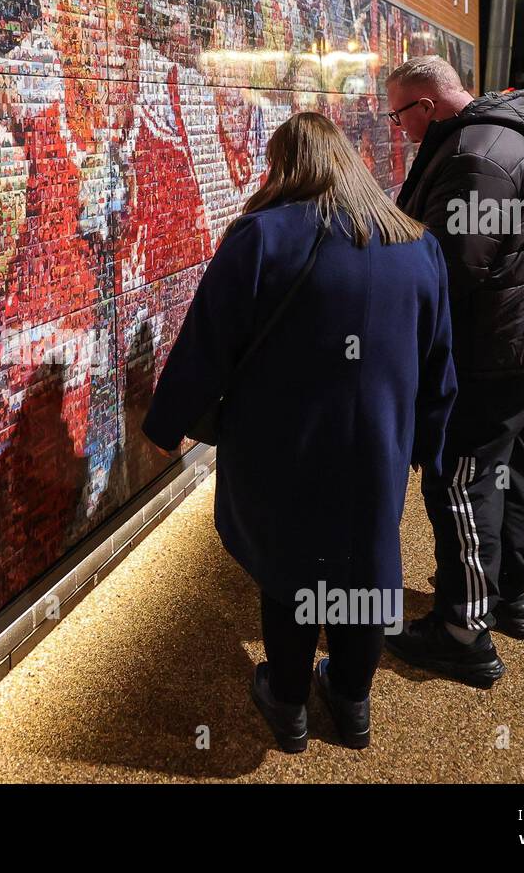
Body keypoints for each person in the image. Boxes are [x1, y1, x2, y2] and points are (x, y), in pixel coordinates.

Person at [143, 112, 457, 752]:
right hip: (379, 443)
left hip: (284, 442)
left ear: (285, 165)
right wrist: (428, 441)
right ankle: (351, 699)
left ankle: (287, 706)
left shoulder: (263, 237)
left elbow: (208, 343)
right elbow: (439, 360)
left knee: (293, 566)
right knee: (367, 560)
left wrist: (166, 425)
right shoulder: (417, 246)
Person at [382, 56, 524, 687]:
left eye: (400, 115)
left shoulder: (474, 154)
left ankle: (462, 631)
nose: (398, 129)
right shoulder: (499, 133)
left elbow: (452, 269)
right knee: (513, 460)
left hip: (503, 348)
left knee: (461, 478)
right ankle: (508, 594)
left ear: (425, 103)